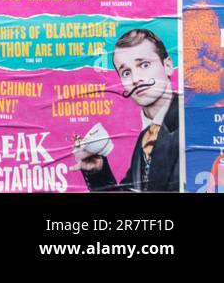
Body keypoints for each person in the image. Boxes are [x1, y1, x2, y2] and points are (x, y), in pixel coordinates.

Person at [74, 28, 179, 192]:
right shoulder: (146, 137)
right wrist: (98, 172)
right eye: (126, 72)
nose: (135, 79)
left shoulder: (189, 124)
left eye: (144, 65)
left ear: (167, 66)